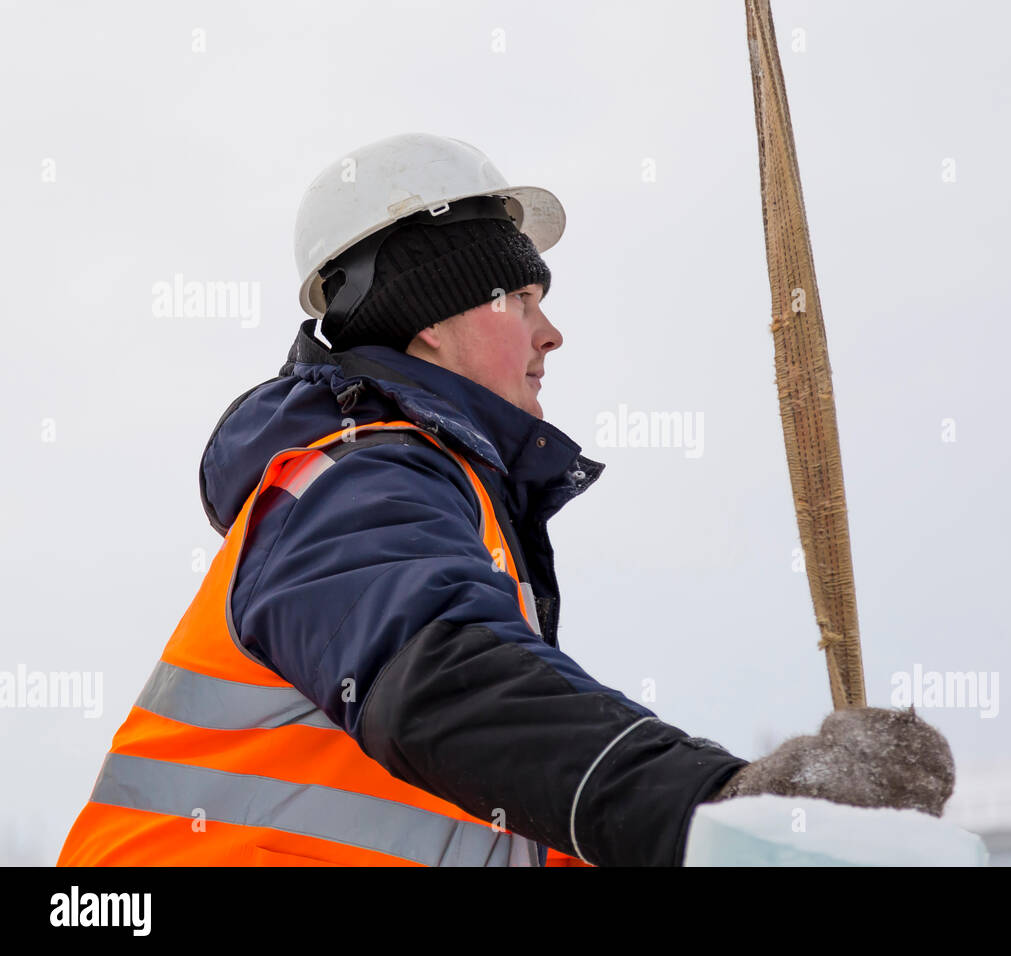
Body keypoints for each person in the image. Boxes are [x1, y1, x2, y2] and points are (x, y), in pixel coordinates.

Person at [57, 134, 954, 868]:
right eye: (517, 296)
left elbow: (516, 802)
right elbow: (448, 688)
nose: (551, 331)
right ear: (428, 324)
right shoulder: (353, 481)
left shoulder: (453, 513)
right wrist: (718, 805)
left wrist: (785, 821)